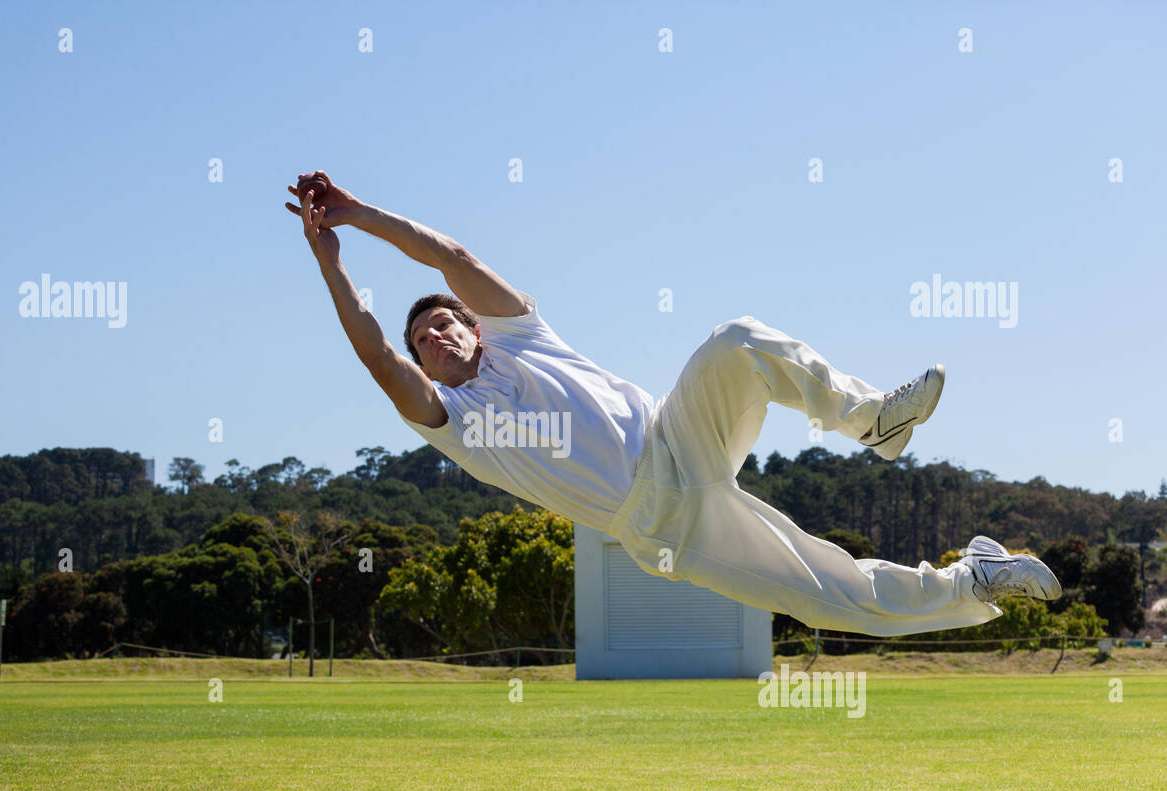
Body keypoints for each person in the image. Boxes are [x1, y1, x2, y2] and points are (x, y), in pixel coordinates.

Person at [285, 170, 1060, 637]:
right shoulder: (453, 423)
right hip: (665, 527)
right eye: (423, 336)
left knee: (737, 341)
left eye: (446, 319)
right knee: (836, 598)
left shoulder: (522, 334)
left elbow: (451, 257)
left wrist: (358, 213)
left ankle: (871, 421)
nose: (437, 333)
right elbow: (370, 349)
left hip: (675, 435)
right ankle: (974, 581)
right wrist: (330, 258)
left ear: (472, 322)